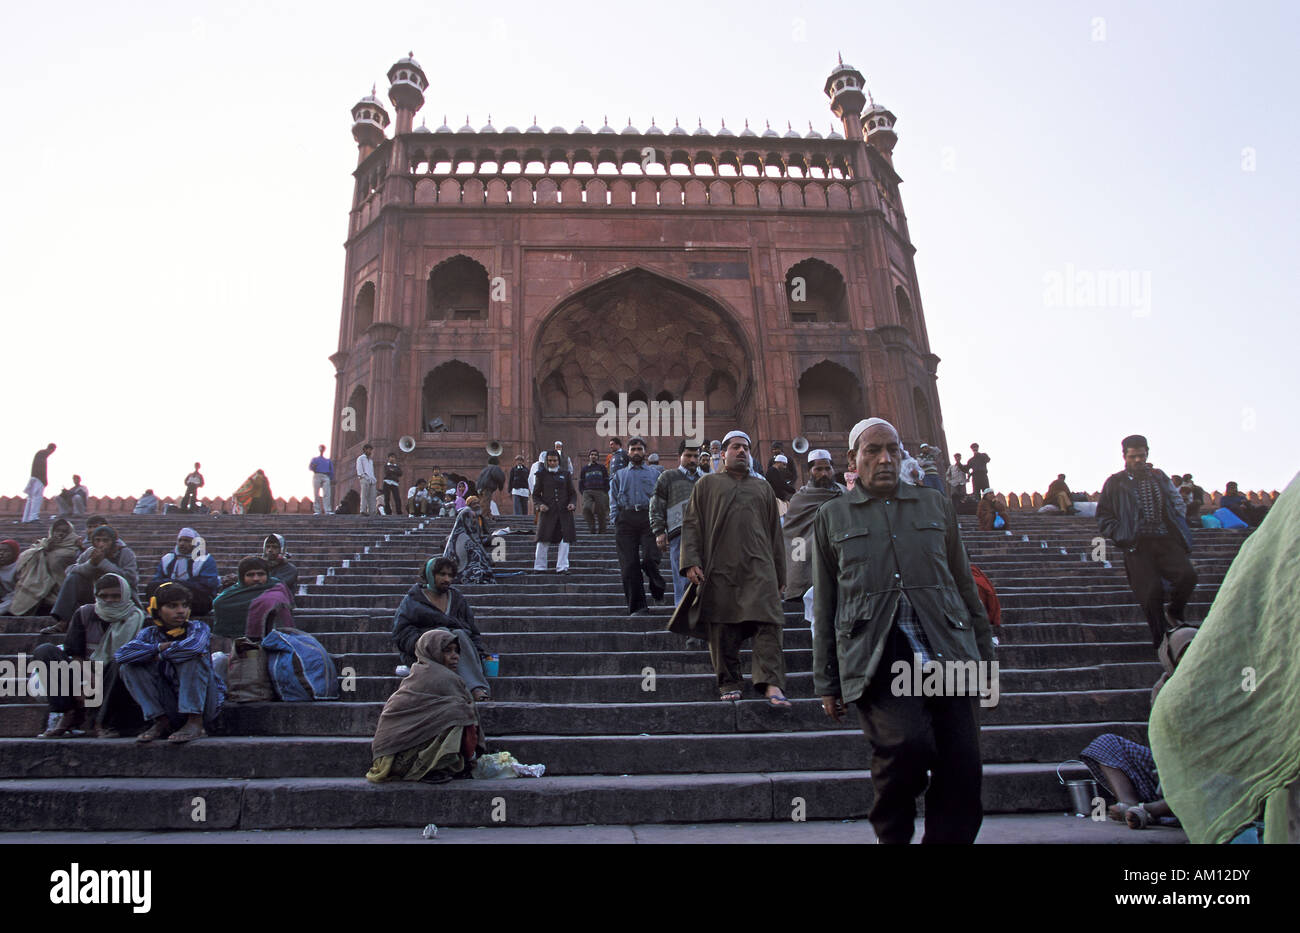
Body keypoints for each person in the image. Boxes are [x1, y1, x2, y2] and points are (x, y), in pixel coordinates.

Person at [812, 417, 995, 844]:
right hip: (879, 650)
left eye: (893, 449)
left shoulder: (934, 505)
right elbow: (826, 603)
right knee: (907, 747)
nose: (885, 459)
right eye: (873, 451)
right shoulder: (833, 516)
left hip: (946, 642)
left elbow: (963, 583)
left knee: (963, 767)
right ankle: (892, 836)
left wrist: (985, 656)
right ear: (853, 460)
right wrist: (827, 679)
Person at [676, 430, 790, 706]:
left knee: (769, 622)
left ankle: (771, 683)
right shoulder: (707, 485)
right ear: (723, 453)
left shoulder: (763, 488)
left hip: (759, 567)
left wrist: (781, 574)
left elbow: (775, 533)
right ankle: (729, 680)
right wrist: (691, 561)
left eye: (746, 448)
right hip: (721, 565)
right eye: (736, 447)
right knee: (722, 626)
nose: (742, 452)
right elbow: (692, 524)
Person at [1097, 434, 1197, 649]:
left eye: (1141, 456)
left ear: (1147, 453)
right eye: (1133, 456)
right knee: (1151, 592)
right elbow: (1103, 516)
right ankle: (1161, 643)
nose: (1138, 460)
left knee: (1188, 576)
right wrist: (1120, 533)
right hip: (1136, 543)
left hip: (1166, 539)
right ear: (1124, 456)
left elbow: (1176, 502)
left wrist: (1177, 526)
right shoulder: (1116, 482)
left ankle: (1175, 611)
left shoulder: (1159, 477)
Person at [34, 572, 146, 738]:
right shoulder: (85, 613)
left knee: (121, 660)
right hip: (86, 673)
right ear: (96, 595)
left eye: (116, 596)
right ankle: (69, 713)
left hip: (118, 681)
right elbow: (76, 653)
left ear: (125, 595)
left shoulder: (137, 618)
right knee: (45, 651)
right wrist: (86, 681)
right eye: (104, 595)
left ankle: (101, 721)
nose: (109, 600)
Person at [366, 629, 485, 784]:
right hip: (403, 757)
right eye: (447, 651)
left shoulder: (416, 673)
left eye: (456, 651)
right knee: (459, 713)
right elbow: (467, 718)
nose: (455, 656)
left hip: (385, 759)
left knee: (457, 711)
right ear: (432, 651)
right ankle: (434, 766)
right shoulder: (444, 678)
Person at [116, 582, 224, 744]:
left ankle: (195, 722)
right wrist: (159, 647)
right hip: (169, 702)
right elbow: (122, 655)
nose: (181, 611)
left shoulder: (197, 628)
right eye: (172, 606)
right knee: (129, 667)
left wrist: (158, 654)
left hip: (204, 704)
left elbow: (193, 648)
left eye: (185, 606)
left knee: (192, 657)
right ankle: (161, 721)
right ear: (157, 610)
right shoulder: (149, 634)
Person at [391, 556, 491, 701]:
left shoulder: (457, 599)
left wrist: (478, 653)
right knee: (443, 633)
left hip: (457, 651)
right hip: (423, 652)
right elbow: (401, 633)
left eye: (450, 575)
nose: (447, 579)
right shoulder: (413, 600)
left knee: (459, 633)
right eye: (442, 574)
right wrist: (427, 641)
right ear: (430, 575)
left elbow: (473, 631)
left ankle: (476, 688)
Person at [44, 524, 139, 631]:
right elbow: (70, 570)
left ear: (112, 542)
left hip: (119, 597)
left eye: (105, 541)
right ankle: (63, 621)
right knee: (74, 578)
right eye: (97, 540)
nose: (101, 544)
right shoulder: (90, 552)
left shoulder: (125, 553)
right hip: (94, 595)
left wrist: (103, 563)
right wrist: (91, 564)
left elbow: (131, 579)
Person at [781, 449, 846, 601]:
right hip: (809, 556)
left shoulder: (844, 494)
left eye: (827, 469)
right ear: (810, 471)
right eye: (818, 469)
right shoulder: (800, 498)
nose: (824, 473)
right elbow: (793, 535)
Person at [609, 437, 666, 613]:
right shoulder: (619, 475)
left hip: (648, 518)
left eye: (639, 449)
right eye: (632, 449)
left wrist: (661, 521)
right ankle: (638, 606)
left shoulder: (654, 474)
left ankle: (657, 586)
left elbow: (661, 498)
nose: (636, 452)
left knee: (650, 558)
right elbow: (613, 498)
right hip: (625, 520)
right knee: (629, 566)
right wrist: (615, 518)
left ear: (645, 452)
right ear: (628, 453)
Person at [650, 441, 703, 607]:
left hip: (703, 535)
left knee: (702, 577)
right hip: (678, 534)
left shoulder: (704, 481)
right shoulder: (668, 477)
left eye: (696, 456)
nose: (692, 459)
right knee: (682, 578)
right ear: (679, 456)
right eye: (688, 455)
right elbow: (656, 503)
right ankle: (682, 617)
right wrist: (659, 531)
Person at [4, 519, 80, 616]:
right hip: (36, 584)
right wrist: (45, 549)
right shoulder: (43, 544)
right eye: (58, 530)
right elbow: (24, 557)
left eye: (64, 531)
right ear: (52, 531)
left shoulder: (73, 547)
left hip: (59, 587)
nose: (61, 533)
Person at [212, 556, 294, 641]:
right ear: (241, 577)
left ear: (267, 574)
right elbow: (218, 603)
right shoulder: (232, 593)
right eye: (250, 575)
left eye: (261, 574)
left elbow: (277, 603)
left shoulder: (276, 588)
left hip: (272, 640)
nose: (256, 579)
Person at [150, 528, 220, 616]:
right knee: (152, 587)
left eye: (187, 541)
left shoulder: (205, 559)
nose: (182, 544)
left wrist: (178, 585)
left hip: (194, 599)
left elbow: (208, 586)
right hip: (169, 596)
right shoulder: (167, 559)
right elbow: (157, 580)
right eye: (180, 540)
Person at [533, 451, 577, 574]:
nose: (552, 463)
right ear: (546, 461)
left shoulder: (566, 474)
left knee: (565, 540)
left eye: (555, 460)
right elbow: (536, 495)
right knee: (543, 539)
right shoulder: (541, 475)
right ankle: (539, 566)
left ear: (559, 461)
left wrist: (572, 503)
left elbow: (572, 493)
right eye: (550, 461)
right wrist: (540, 505)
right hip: (547, 512)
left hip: (564, 512)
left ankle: (562, 567)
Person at [443, 497, 496, 584]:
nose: (477, 505)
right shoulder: (463, 534)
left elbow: (478, 538)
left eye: (478, 503)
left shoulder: (477, 521)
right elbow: (474, 545)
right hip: (461, 566)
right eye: (474, 503)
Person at [22, 443, 56, 523]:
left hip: (34, 477)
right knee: (37, 498)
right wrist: (44, 480)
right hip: (39, 479)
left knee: (30, 498)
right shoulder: (43, 454)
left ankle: (26, 519)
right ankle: (33, 517)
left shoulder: (40, 454)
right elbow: (42, 469)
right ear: (52, 449)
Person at [580, 449, 611, 534]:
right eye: (592, 454)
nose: (593, 456)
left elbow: (606, 480)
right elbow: (581, 481)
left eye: (595, 455)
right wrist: (583, 491)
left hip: (600, 491)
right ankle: (592, 526)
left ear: (597, 457)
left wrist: (605, 491)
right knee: (586, 508)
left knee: (601, 511)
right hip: (587, 491)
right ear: (589, 456)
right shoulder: (585, 469)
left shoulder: (602, 468)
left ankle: (602, 531)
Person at [309, 445, 333, 515]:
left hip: (326, 476)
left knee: (327, 493)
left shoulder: (328, 461)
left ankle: (327, 510)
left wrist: (331, 478)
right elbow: (311, 467)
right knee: (316, 493)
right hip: (317, 475)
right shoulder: (315, 459)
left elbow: (331, 471)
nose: (321, 449)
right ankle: (317, 510)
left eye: (322, 448)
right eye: (320, 448)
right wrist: (314, 466)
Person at [0, 539, 21, 614]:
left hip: (16, 597)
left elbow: (22, 589)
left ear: (14, 553)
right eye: (0, 550)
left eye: (6, 551)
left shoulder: (19, 567)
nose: (1, 553)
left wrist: (4, 599)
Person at [356, 444, 377, 515]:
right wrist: (362, 476)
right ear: (364, 449)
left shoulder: (371, 460)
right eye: (369, 449)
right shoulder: (361, 458)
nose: (370, 451)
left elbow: (371, 470)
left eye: (371, 450)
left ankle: (372, 511)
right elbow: (359, 468)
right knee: (364, 495)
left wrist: (373, 478)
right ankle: (363, 510)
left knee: (372, 496)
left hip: (372, 479)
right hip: (364, 478)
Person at [381, 452, 403, 517]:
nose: (392, 459)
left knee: (397, 498)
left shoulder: (397, 466)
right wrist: (394, 471)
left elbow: (400, 473)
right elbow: (387, 472)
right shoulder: (386, 466)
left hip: (395, 483)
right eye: (391, 457)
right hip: (387, 482)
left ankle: (399, 511)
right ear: (388, 458)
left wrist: (392, 470)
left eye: (393, 457)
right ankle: (388, 512)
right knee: (387, 498)